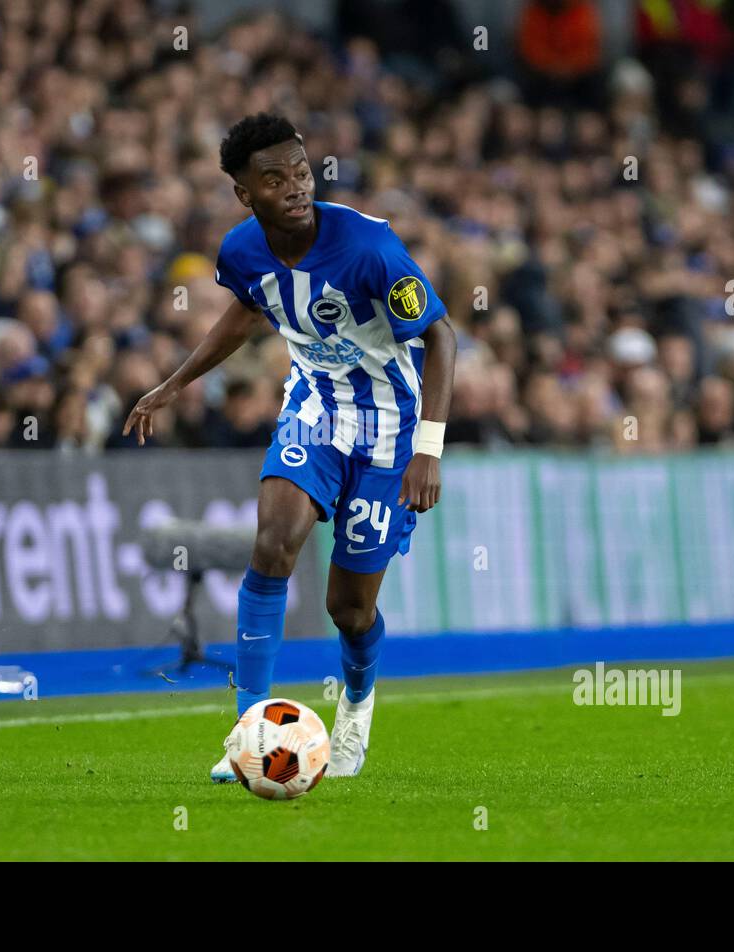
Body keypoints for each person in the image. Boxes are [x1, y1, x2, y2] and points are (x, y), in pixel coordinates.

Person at [123, 113, 457, 783]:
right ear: (246, 194)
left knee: (348, 609)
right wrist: (173, 383)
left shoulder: (370, 247)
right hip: (314, 409)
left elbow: (442, 336)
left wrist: (429, 448)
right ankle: (248, 731)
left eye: (301, 173)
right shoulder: (241, 250)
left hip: (389, 431)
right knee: (273, 543)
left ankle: (356, 704)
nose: (295, 188)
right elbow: (247, 311)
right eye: (275, 180)